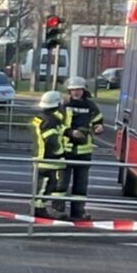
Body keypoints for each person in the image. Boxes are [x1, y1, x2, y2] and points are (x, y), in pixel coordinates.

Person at [62, 76, 102, 221]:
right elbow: (57, 124)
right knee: (61, 184)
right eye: (73, 90)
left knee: (81, 185)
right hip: (65, 150)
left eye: (79, 89)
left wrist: (98, 127)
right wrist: (70, 132)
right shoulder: (63, 105)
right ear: (69, 91)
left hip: (84, 152)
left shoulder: (91, 106)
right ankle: (59, 210)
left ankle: (78, 211)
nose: (76, 92)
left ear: (83, 90)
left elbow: (97, 120)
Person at [31, 90, 68, 220]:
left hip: (40, 155)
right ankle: (39, 208)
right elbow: (51, 140)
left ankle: (39, 207)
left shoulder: (40, 117)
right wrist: (60, 152)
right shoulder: (51, 120)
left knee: (43, 184)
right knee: (48, 184)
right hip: (49, 158)